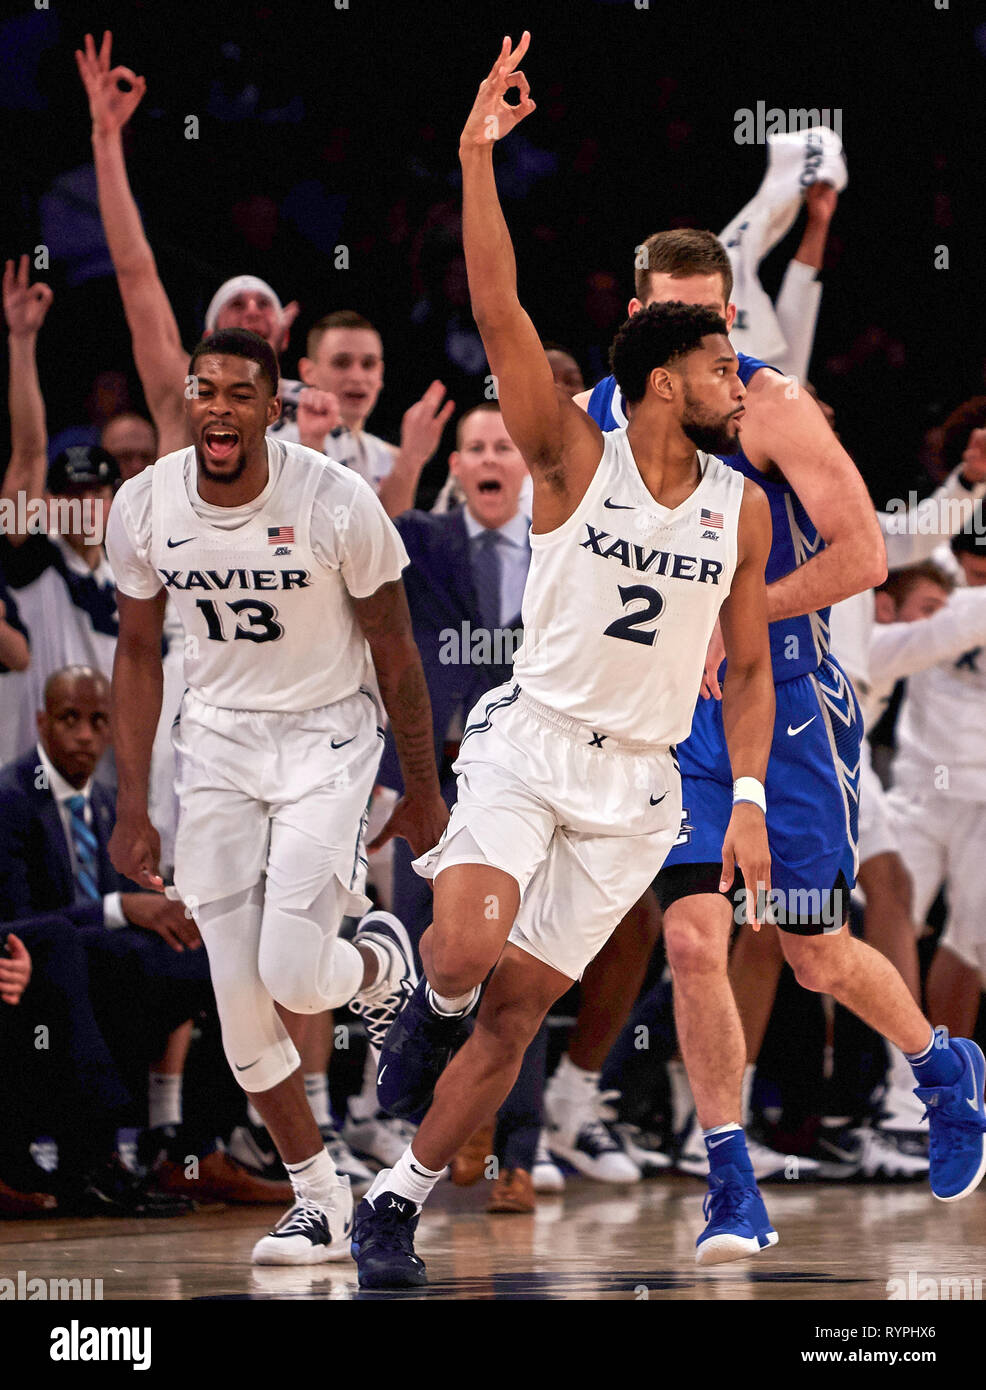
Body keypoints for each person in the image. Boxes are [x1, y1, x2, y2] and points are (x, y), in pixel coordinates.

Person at [355, 33, 775, 1288]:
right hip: (532, 746)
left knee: (520, 1007)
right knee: (467, 955)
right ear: (657, 381)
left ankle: (393, 1194)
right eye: (715, 367)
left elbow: (745, 669)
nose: (736, 382)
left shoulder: (738, 506)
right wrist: (477, 154)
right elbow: (498, 309)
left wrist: (743, 796)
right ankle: (414, 1014)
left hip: (639, 791)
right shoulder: (569, 462)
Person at [105, 326, 447, 1265]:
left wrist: (421, 788)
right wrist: (134, 803)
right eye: (203, 389)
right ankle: (318, 1198)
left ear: (272, 408)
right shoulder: (143, 507)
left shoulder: (337, 501)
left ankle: (378, 962)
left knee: (295, 972)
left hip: (326, 738)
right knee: (239, 1006)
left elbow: (398, 650)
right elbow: (138, 653)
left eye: (239, 392)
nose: (218, 405)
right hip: (214, 744)